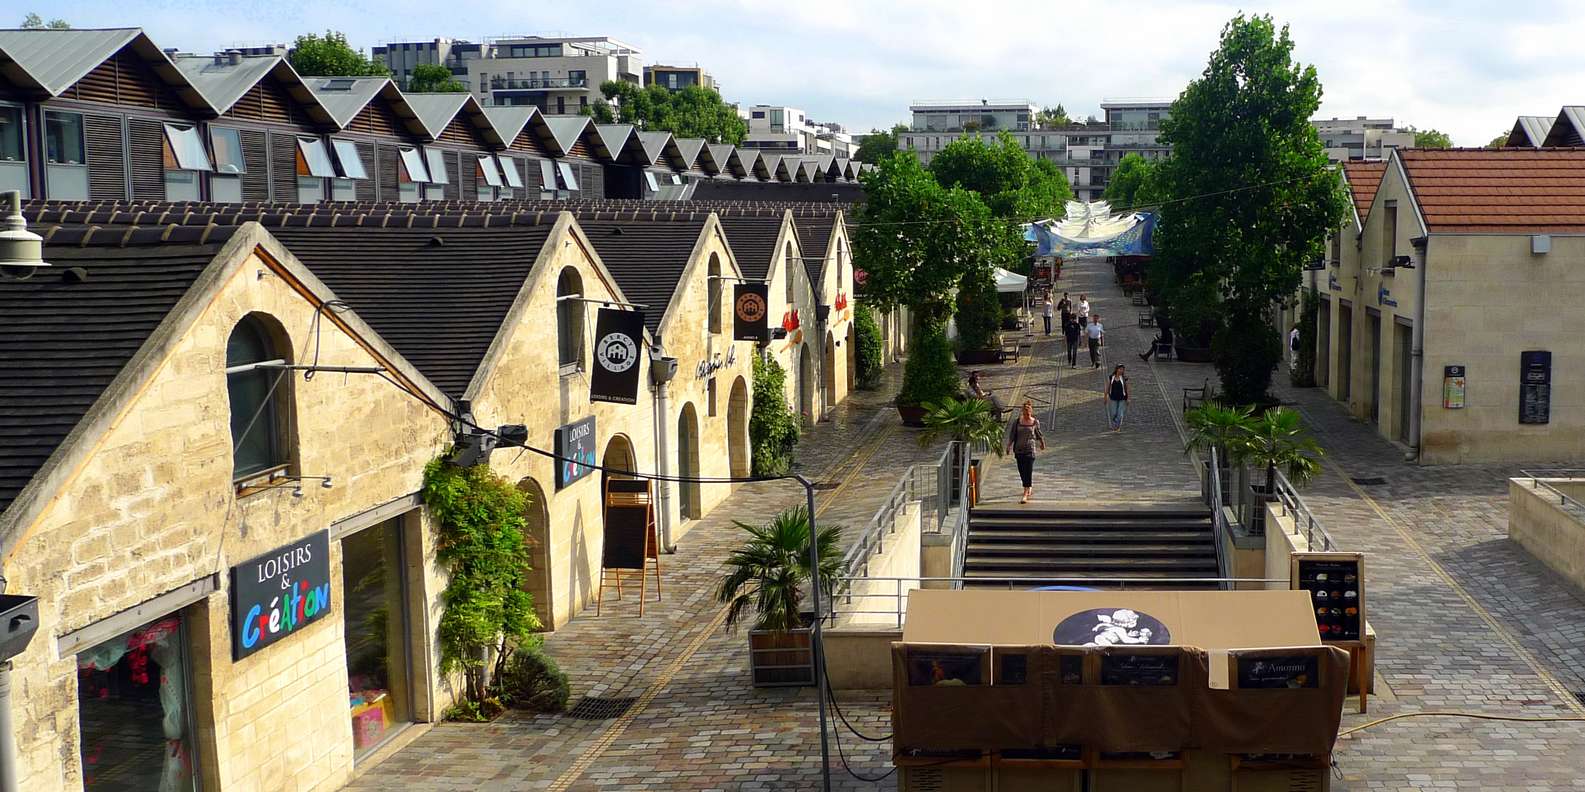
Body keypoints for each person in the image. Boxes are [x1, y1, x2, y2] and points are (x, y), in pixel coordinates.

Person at [1004, 399, 1046, 504]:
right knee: (1021, 471)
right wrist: (1008, 446)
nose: (1027, 415)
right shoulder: (1017, 422)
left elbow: (1038, 434)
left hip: (1030, 450)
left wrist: (1042, 443)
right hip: (1019, 450)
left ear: (1031, 412)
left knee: (1028, 470)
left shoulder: (1035, 422)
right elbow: (1012, 435)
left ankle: (1025, 492)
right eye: (1025, 413)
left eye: (1028, 413)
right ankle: (1028, 486)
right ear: (1022, 412)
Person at [1104, 364, 1130, 431]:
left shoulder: (1124, 378)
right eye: (1120, 369)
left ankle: (1118, 426)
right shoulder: (1111, 377)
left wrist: (1128, 398)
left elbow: (1127, 389)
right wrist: (1105, 396)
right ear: (1116, 369)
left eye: (1122, 369)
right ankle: (1116, 422)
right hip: (1113, 397)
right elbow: (1108, 387)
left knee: (1120, 413)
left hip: (1122, 398)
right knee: (1113, 413)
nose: (1121, 371)